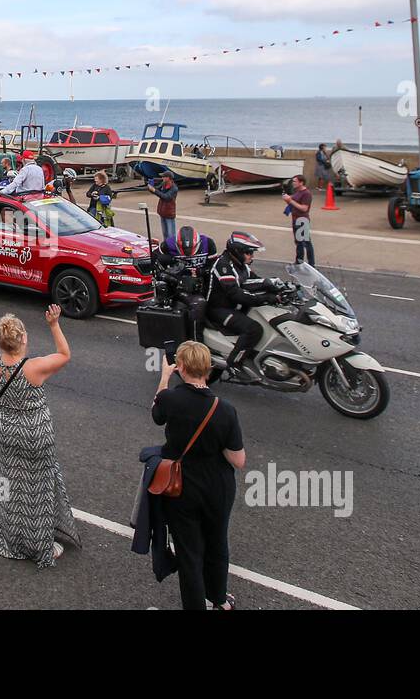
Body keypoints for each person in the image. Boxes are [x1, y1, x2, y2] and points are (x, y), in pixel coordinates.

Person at [0, 307, 80, 567]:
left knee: (5, 483)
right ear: (23, 339)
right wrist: (54, 324)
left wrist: (7, 410)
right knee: (37, 489)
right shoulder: (33, 368)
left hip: (4, 434)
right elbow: (65, 355)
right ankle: (40, 544)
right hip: (35, 435)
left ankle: (3, 536)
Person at [152, 341, 245, 610]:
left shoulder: (170, 399)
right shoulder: (225, 409)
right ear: (208, 368)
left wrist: (164, 377)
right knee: (217, 543)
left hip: (181, 486)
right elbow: (237, 460)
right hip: (218, 486)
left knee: (189, 551)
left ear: (180, 367)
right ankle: (219, 599)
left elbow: (157, 414)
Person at [205, 231, 283, 382]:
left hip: (234, 307)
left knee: (267, 319)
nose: (251, 256)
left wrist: (276, 285)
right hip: (219, 310)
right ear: (237, 251)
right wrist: (266, 298)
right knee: (254, 329)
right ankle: (234, 363)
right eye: (248, 252)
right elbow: (236, 294)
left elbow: (254, 281)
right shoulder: (223, 265)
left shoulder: (240, 265)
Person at [282, 174, 314, 265]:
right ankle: (299, 261)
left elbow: (304, 208)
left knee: (306, 243)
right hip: (296, 219)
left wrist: (290, 201)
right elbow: (293, 203)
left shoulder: (306, 193)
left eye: (295, 181)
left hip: (302, 220)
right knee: (299, 243)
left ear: (301, 182)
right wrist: (287, 199)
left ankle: (311, 263)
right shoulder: (297, 192)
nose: (293, 183)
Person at [146, 170, 178, 240]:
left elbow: (166, 197)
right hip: (163, 212)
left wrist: (154, 190)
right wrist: (151, 189)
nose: (162, 178)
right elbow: (158, 192)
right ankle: (166, 247)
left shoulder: (174, 188)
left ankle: (172, 248)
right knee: (165, 233)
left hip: (169, 213)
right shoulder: (164, 184)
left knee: (171, 234)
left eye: (164, 177)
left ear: (168, 178)